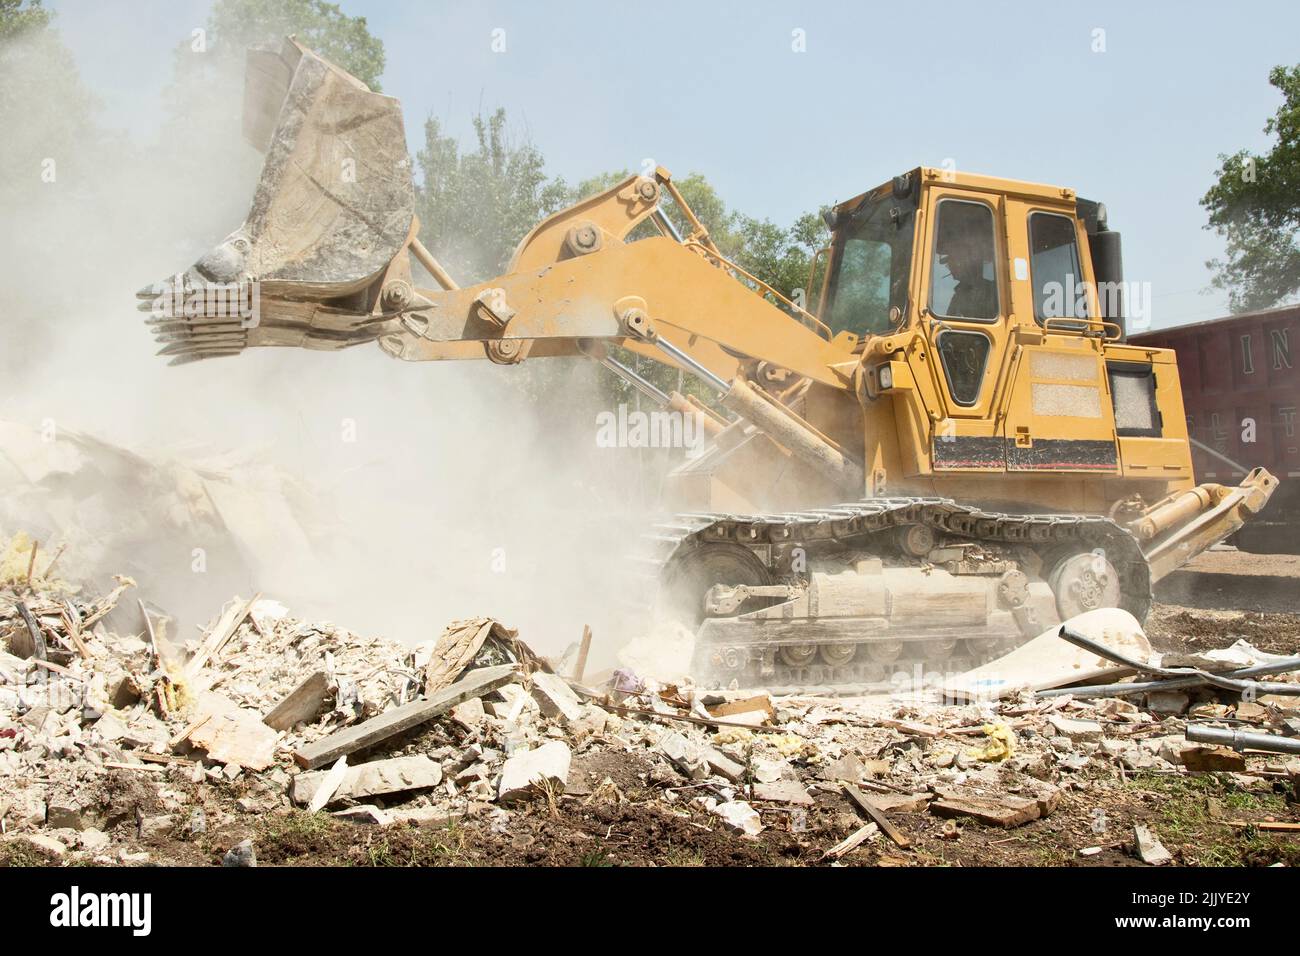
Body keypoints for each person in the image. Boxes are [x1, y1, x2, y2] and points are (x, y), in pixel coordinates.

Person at [940, 245, 997, 320]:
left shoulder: (992, 291)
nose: (951, 269)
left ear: (964, 264)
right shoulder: (959, 294)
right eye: (949, 265)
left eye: (953, 264)